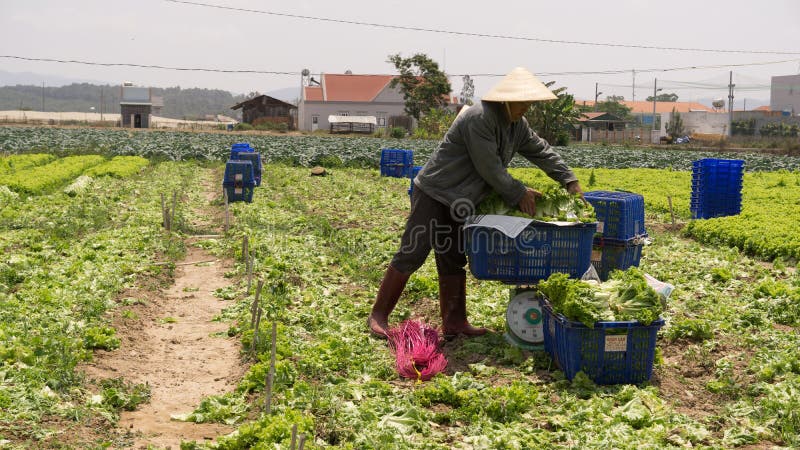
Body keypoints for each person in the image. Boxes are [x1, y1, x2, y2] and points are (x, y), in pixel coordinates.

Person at [368, 67, 584, 338]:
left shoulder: (517, 126)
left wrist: (569, 180)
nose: (526, 108)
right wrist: (518, 192)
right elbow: (489, 167)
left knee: (453, 258)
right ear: (506, 99)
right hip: (435, 192)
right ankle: (379, 314)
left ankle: (455, 322)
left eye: (529, 103)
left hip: (462, 200)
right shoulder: (479, 117)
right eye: (523, 103)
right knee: (413, 251)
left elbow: (540, 150)